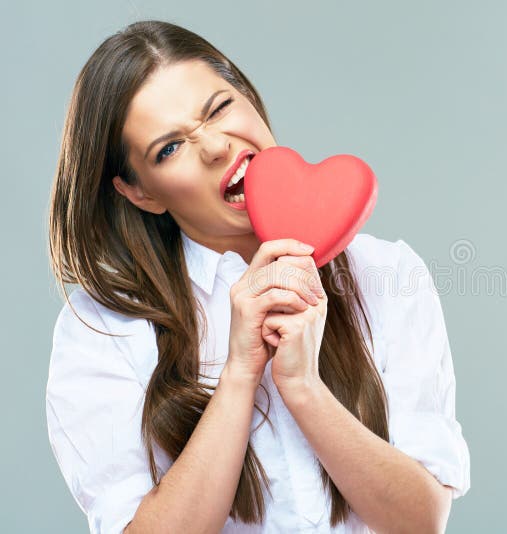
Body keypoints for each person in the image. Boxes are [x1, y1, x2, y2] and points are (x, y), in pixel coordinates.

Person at [45, 19, 470, 534]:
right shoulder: (104, 330)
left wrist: (302, 387)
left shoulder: (385, 273)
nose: (216, 147)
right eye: (169, 148)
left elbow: (421, 520)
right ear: (142, 193)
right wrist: (240, 375)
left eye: (219, 108)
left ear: (247, 95)